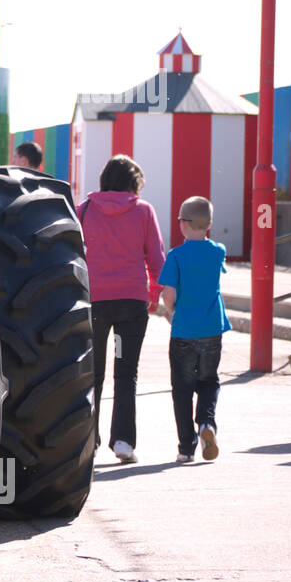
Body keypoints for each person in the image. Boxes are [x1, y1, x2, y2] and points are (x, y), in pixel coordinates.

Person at [79, 155, 165, 464]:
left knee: (93, 374)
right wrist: (154, 295)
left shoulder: (84, 211)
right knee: (126, 373)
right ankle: (124, 442)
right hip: (131, 302)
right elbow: (156, 258)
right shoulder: (143, 211)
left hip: (95, 302)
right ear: (133, 184)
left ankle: (88, 441)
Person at [158, 196, 229, 464]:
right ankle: (207, 424)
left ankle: (186, 447)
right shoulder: (218, 251)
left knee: (182, 388)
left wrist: (170, 310)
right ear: (209, 224)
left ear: (183, 224)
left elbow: (168, 293)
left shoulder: (176, 255)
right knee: (209, 380)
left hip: (184, 330)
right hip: (212, 328)